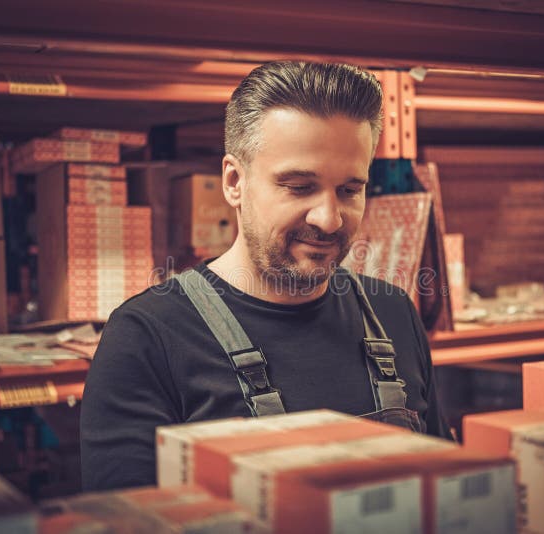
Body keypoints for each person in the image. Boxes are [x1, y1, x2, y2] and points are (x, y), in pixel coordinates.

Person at [80, 61, 450, 491]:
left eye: (350, 190)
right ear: (234, 181)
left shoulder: (393, 312)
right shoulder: (146, 336)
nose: (329, 219)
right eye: (299, 187)